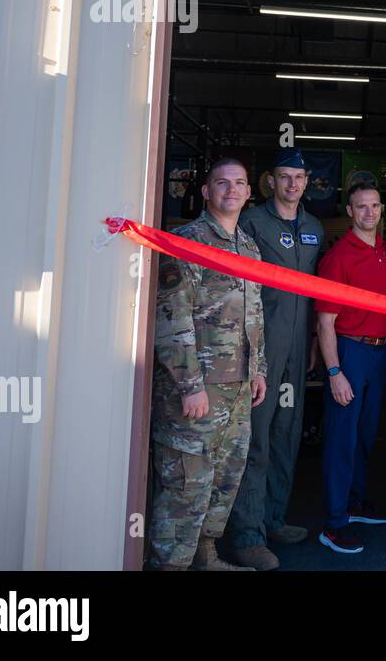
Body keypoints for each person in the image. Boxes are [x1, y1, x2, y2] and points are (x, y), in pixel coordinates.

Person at [148, 156, 267, 571]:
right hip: (198, 392)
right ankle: (171, 565)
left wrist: (259, 371)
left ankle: (206, 557)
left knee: (224, 479)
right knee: (187, 484)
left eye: (239, 183)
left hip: (236, 389)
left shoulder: (248, 245)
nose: (231, 190)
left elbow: (255, 314)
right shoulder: (187, 242)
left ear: (250, 192)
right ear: (205, 191)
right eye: (222, 183)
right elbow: (172, 318)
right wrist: (189, 385)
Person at [228, 148, 325, 570]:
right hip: (261, 354)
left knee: (287, 434)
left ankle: (275, 519)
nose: (292, 185)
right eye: (284, 177)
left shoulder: (316, 228)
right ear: (271, 181)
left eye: (299, 177)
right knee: (256, 441)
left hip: (296, 354)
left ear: (307, 181)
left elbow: (315, 294)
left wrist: (314, 345)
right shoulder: (252, 222)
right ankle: (248, 535)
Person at [314, 182, 386, 555]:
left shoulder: (383, 251)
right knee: (341, 440)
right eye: (361, 207)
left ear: (381, 210)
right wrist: (334, 372)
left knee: (365, 435)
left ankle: (354, 504)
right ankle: (333, 525)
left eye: (374, 206)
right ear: (349, 211)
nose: (369, 213)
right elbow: (325, 323)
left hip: (378, 354)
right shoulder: (338, 258)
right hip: (349, 354)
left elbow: (382, 306)